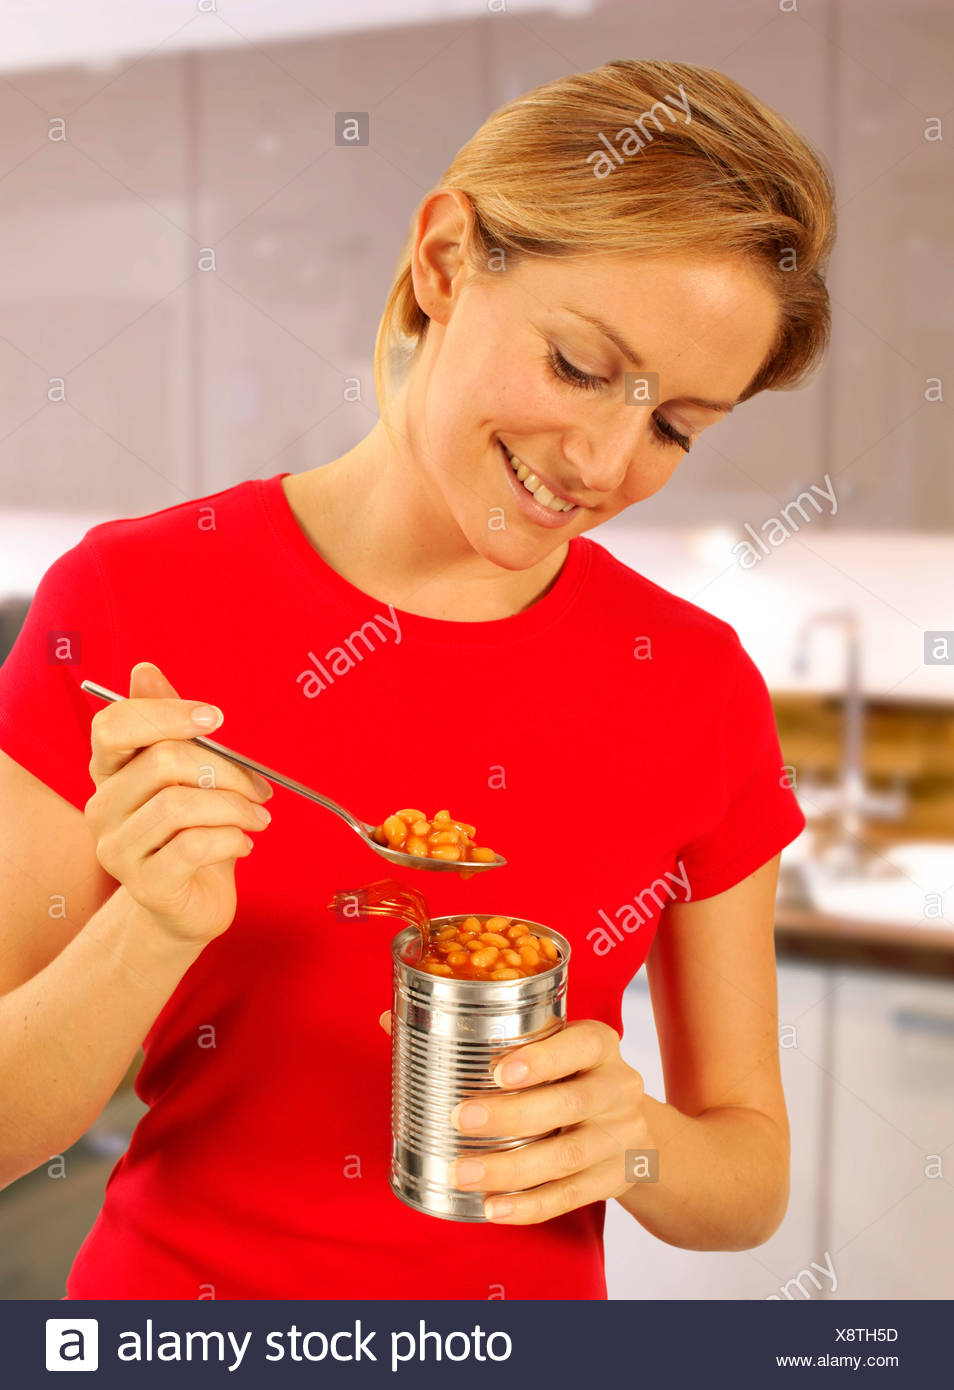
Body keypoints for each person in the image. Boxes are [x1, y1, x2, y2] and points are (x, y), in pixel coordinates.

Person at [0, 58, 834, 1299]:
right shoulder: (134, 602)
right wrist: (151, 926)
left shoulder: (695, 682)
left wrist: (636, 1141)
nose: (604, 462)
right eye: (579, 366)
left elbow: (749, 1175)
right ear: (446, 261)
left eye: (674, 427)